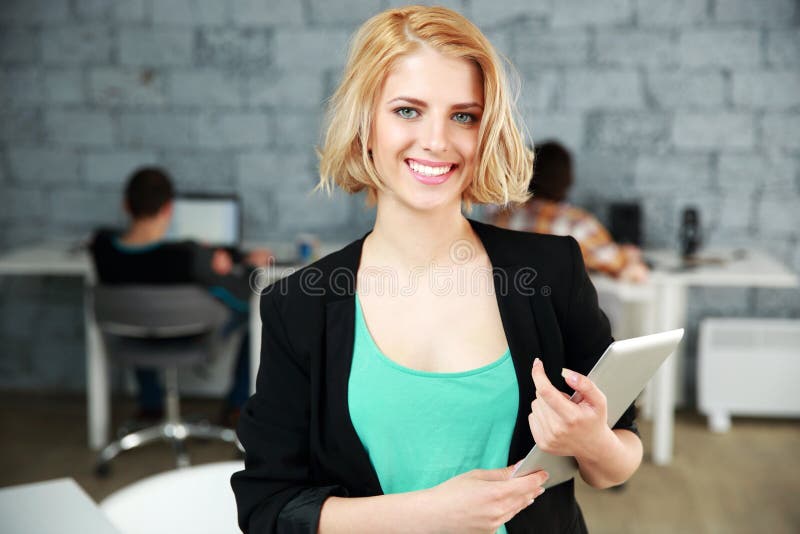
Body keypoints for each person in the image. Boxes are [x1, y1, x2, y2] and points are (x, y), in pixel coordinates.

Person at [231, 6, 642, 534]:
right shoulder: (299, 306)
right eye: (407, 111)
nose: (437, 141)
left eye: (463, 116)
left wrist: (593, 442)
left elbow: (618, 458)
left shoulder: (551, 270)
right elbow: (268, 510)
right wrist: (432, 514)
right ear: (365, 125)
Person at [90, 167, 272, 426]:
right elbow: (242, 295)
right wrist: (250, 266)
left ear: (126, 205)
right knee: (257, 315)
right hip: (189, 338)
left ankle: (151, 405)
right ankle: (237, 405)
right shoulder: (188, 255)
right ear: (168, 209)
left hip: (134, 340)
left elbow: (114, 238)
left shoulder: (102, 248)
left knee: (140, 310)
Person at [490, 141, 649, 283]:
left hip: (507, 304)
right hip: (557, 306)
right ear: (567, 179)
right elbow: (621, 267)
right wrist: (631, 256)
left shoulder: (500, 218)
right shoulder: (576, 224)